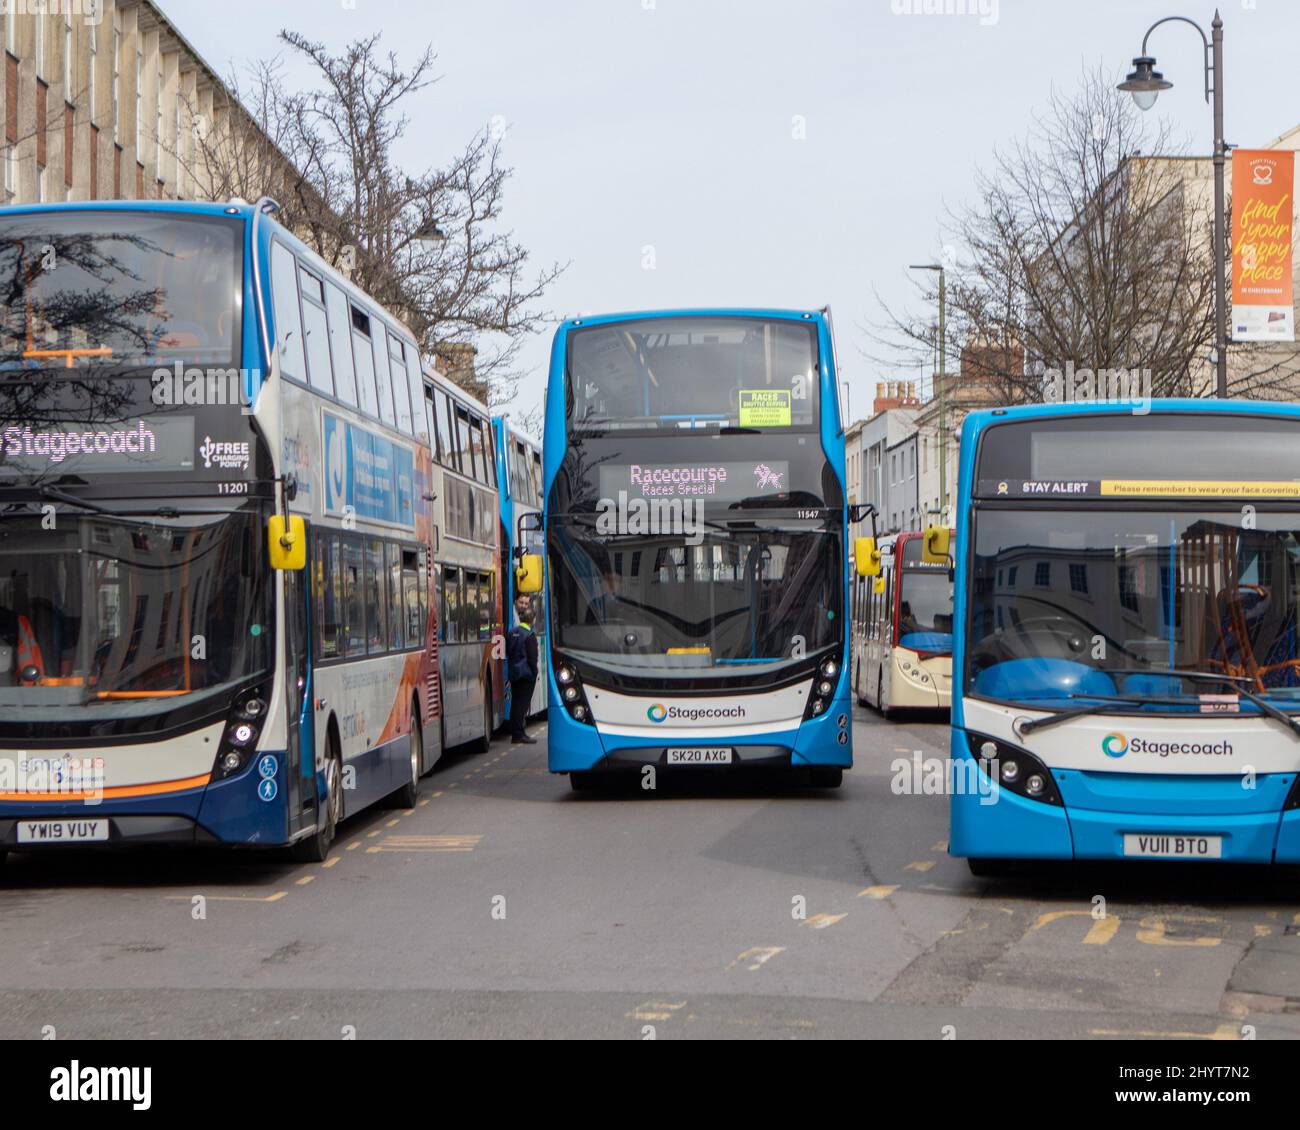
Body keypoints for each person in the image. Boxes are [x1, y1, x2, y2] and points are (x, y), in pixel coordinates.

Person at [506, 596, 539, 745]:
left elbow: (509, 651)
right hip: (526, 674)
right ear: (532, 621)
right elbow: (532, 657)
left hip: (514, 673)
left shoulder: (512, 633)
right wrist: (534, 672)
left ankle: (515, 733)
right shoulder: (530, 636)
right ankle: (519, 734)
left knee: (515, 703)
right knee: (523, 705)